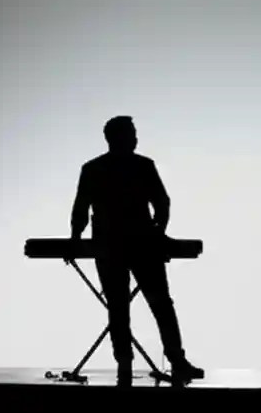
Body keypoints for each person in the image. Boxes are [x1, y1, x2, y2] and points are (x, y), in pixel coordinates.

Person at [70, 116, 205, 385]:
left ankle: (125, 363)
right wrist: (158, 230)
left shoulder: (93, 169)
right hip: (141, 245)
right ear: (120, 137)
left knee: (119, 307)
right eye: (132, 133)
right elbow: (162, 203)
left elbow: (80, 210)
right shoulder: (142, 166)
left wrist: (75, 239)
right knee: (160, 305)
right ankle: (175, 360)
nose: (136, 138)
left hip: (111, 246)